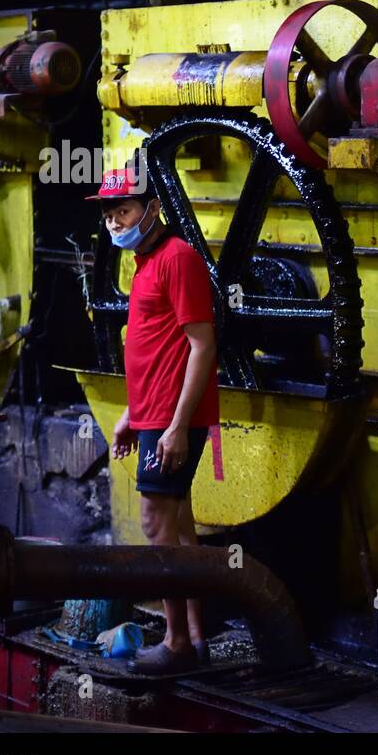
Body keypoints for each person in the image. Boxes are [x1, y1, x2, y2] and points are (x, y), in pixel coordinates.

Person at [87, 169, 220, 675]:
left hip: (172, 422)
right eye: (108, 213)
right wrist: (130, 415)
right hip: (155, 417)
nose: (114, 221)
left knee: (153, 524)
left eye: (122, 210)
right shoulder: (144, 264)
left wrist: (176, 427)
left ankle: (176, 644)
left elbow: (202, 345)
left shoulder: (178, 259)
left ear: (154, 208)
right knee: (181, 528)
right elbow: (155, 352)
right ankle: (198, 639)